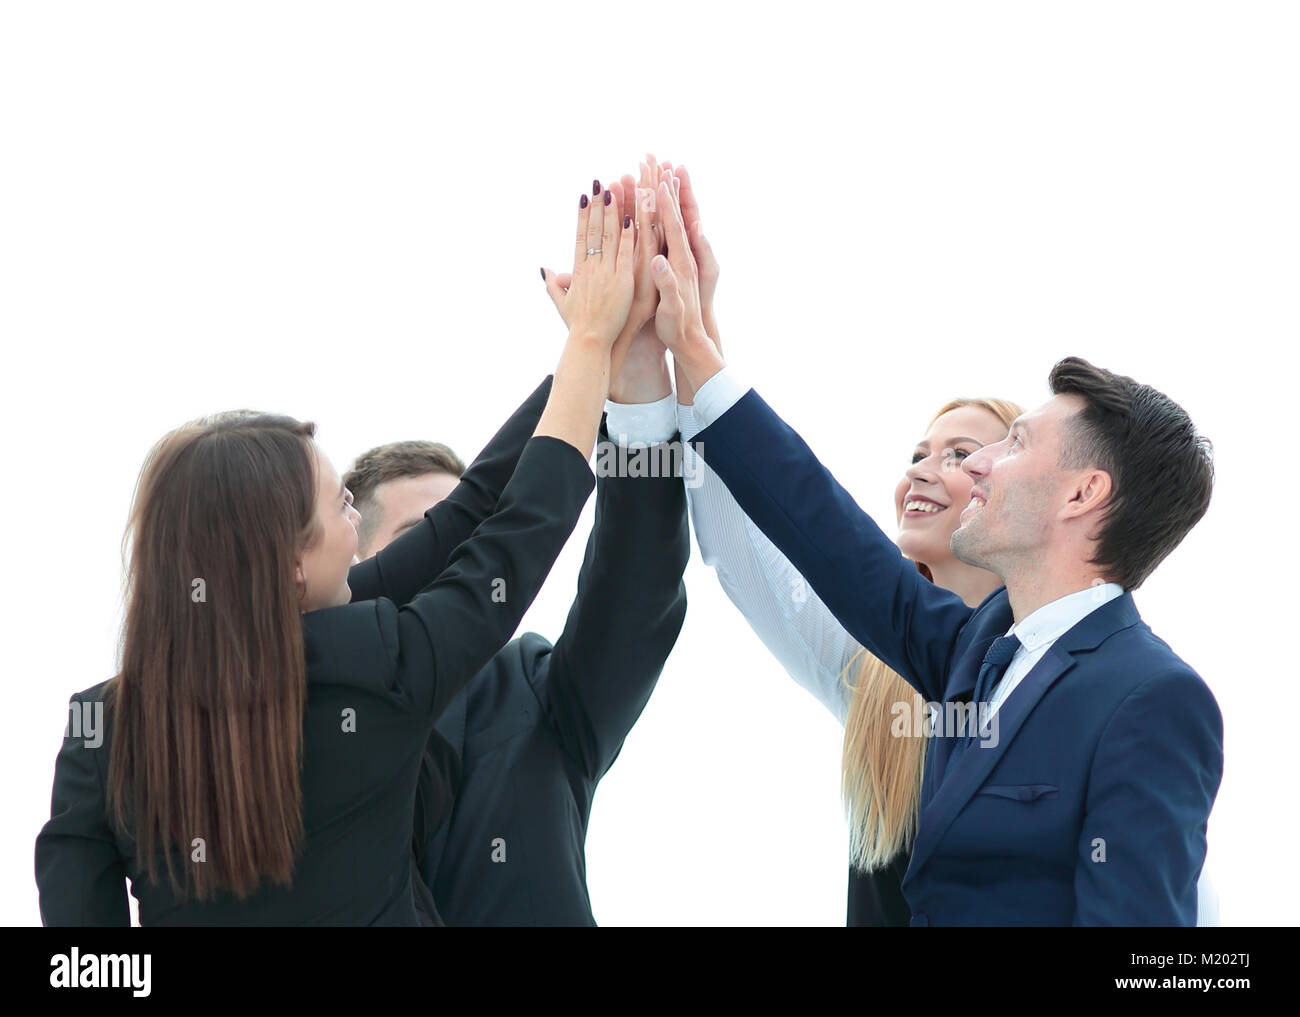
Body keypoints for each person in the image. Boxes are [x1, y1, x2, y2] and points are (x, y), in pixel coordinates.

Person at [34, 181, 639, 925]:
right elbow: (516, 532)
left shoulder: (103, 728)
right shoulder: (373, 665)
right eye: (341, 506)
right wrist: (591, 345)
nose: (353, 523)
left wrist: (587, 348)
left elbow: (82, 960)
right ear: (290, 566)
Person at [647, 172, 1222, 925]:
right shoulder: (969, 652)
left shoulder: (1150, 697)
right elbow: (823, 530)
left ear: (1082, 494)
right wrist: (692, 347)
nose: (977, 465)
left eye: (1011, 444)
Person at [342, 175, 690, 924]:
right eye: (425, 541)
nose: (466, 558)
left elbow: (637, 586)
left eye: (472, 532)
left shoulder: (536, 691)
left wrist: (631, 381)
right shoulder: (312, 710)